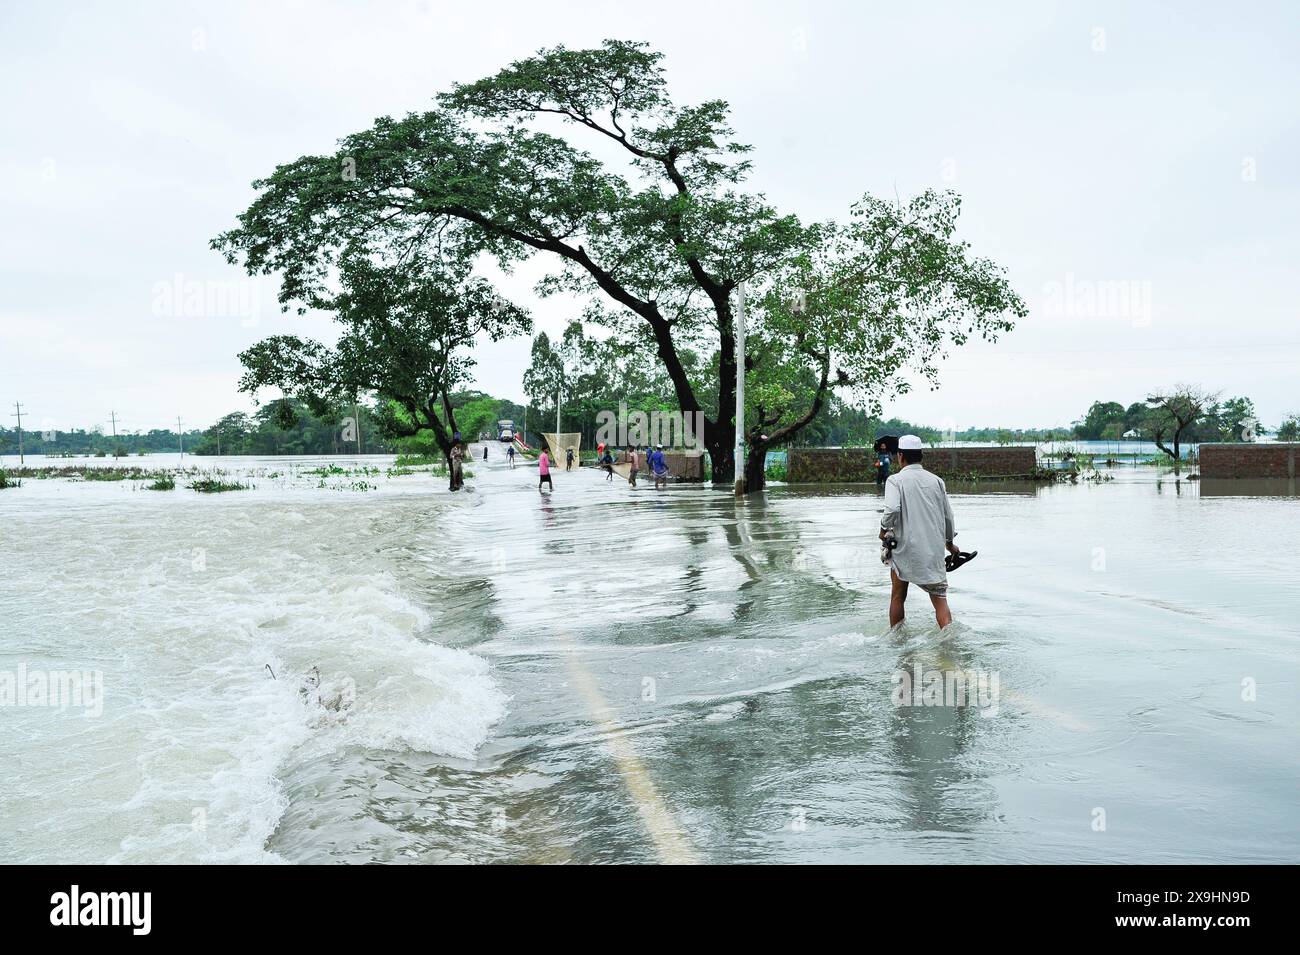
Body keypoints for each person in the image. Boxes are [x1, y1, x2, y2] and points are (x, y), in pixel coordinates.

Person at [879, 435, 961, 629]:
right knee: (940, 601)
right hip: (933, 553)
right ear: (921, 456)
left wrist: (883, 530)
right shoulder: (936, 481)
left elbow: (891, 510)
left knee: (898, 596)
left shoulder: (895, 480)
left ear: (900, 456)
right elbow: (948, 517)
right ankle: (948, 644)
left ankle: (898, 646)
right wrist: (950, 544)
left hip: (905, 552)